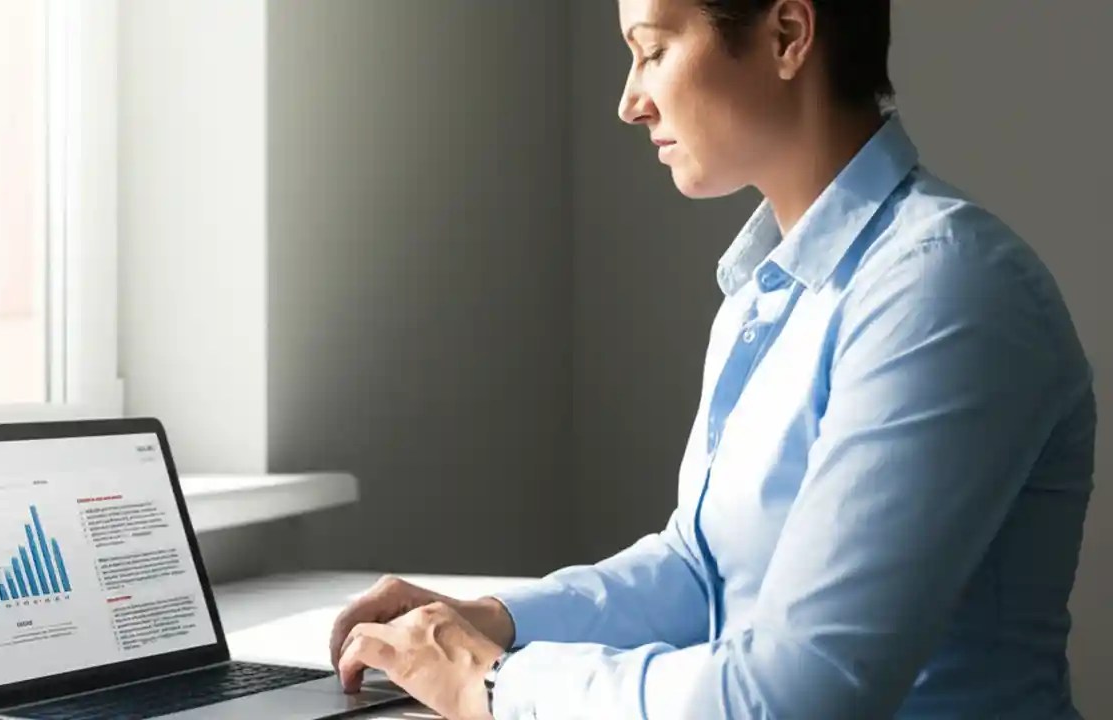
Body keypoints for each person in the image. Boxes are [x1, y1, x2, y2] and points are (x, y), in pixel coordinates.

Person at [328, 0, 1096, 717]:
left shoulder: (942, 286)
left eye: (653, 51)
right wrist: (494, 619)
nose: (631, 101)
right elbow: (703, 568)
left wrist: (493, 681)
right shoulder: (769, 290)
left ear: (788, 36)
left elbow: (802, 693)